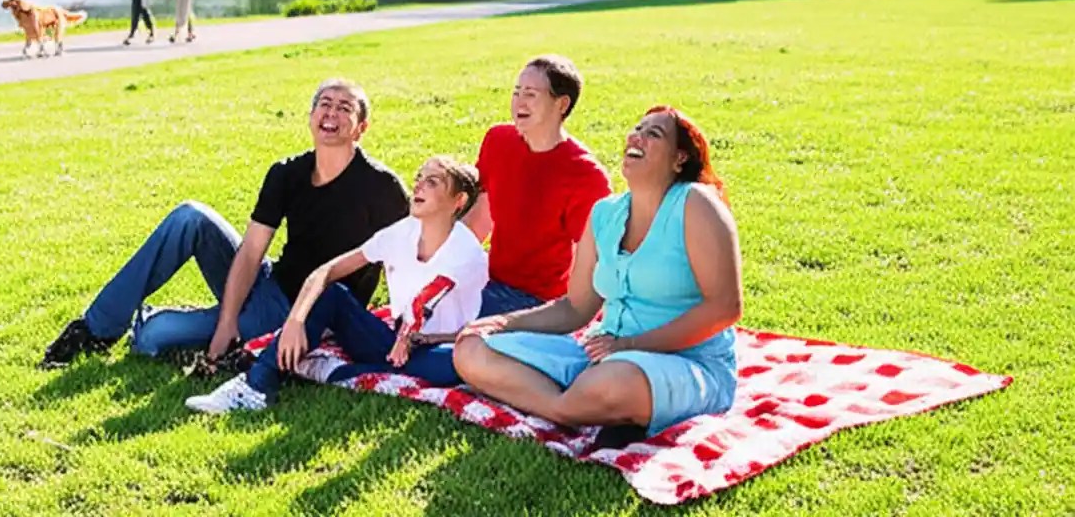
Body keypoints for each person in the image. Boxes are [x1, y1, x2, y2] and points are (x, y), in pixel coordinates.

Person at [40, 78, 410, 367]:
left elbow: (409, 258)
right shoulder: (286, 173)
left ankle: (162, 321)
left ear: (361, 127)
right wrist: (226, 322)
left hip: (306, 311)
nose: (331, 113)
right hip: (269, 282)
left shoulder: (382, 187)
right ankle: (94, 329)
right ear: (311, 118)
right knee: (190, 216)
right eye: (324, 104)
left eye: (345, 108)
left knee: (150, 338)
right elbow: (250, 250)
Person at [453, 106, 743, 449]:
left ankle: (569, 404)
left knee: (613, 381)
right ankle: (567, 409)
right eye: (637, 128)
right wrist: (501, 324)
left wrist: (631, 346)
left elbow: (725, 308)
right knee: (470, 348)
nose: (637, 137)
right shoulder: (605, 213)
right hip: (602, 354)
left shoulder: (696, 203)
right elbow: (575, 308)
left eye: (654, 134)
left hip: (684, 361)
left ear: (679, 158)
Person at [184, 156, 487, 413]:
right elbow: (325, 272)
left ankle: (349, 372)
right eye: (420, 177)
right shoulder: (402, 232)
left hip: (446, 349)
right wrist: (295, 320)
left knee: (459, 366)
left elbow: (425, 303)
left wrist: (415, 340)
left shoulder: (464, 250)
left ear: (458, 202)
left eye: (433, 182)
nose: (419, 184)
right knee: (332, 295)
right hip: (393, 342)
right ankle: (256, 386)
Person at [461, 55, 612, 316]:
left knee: (438, 330)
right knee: (412, 312)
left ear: (561, 104)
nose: (519, 102)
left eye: (531, 94)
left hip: (536, 303)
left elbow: (593, 261)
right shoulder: (498, 141)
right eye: (516, 92)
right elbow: (480, 219)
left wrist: (575, 320)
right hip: (488, 282)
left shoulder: (585, 174)